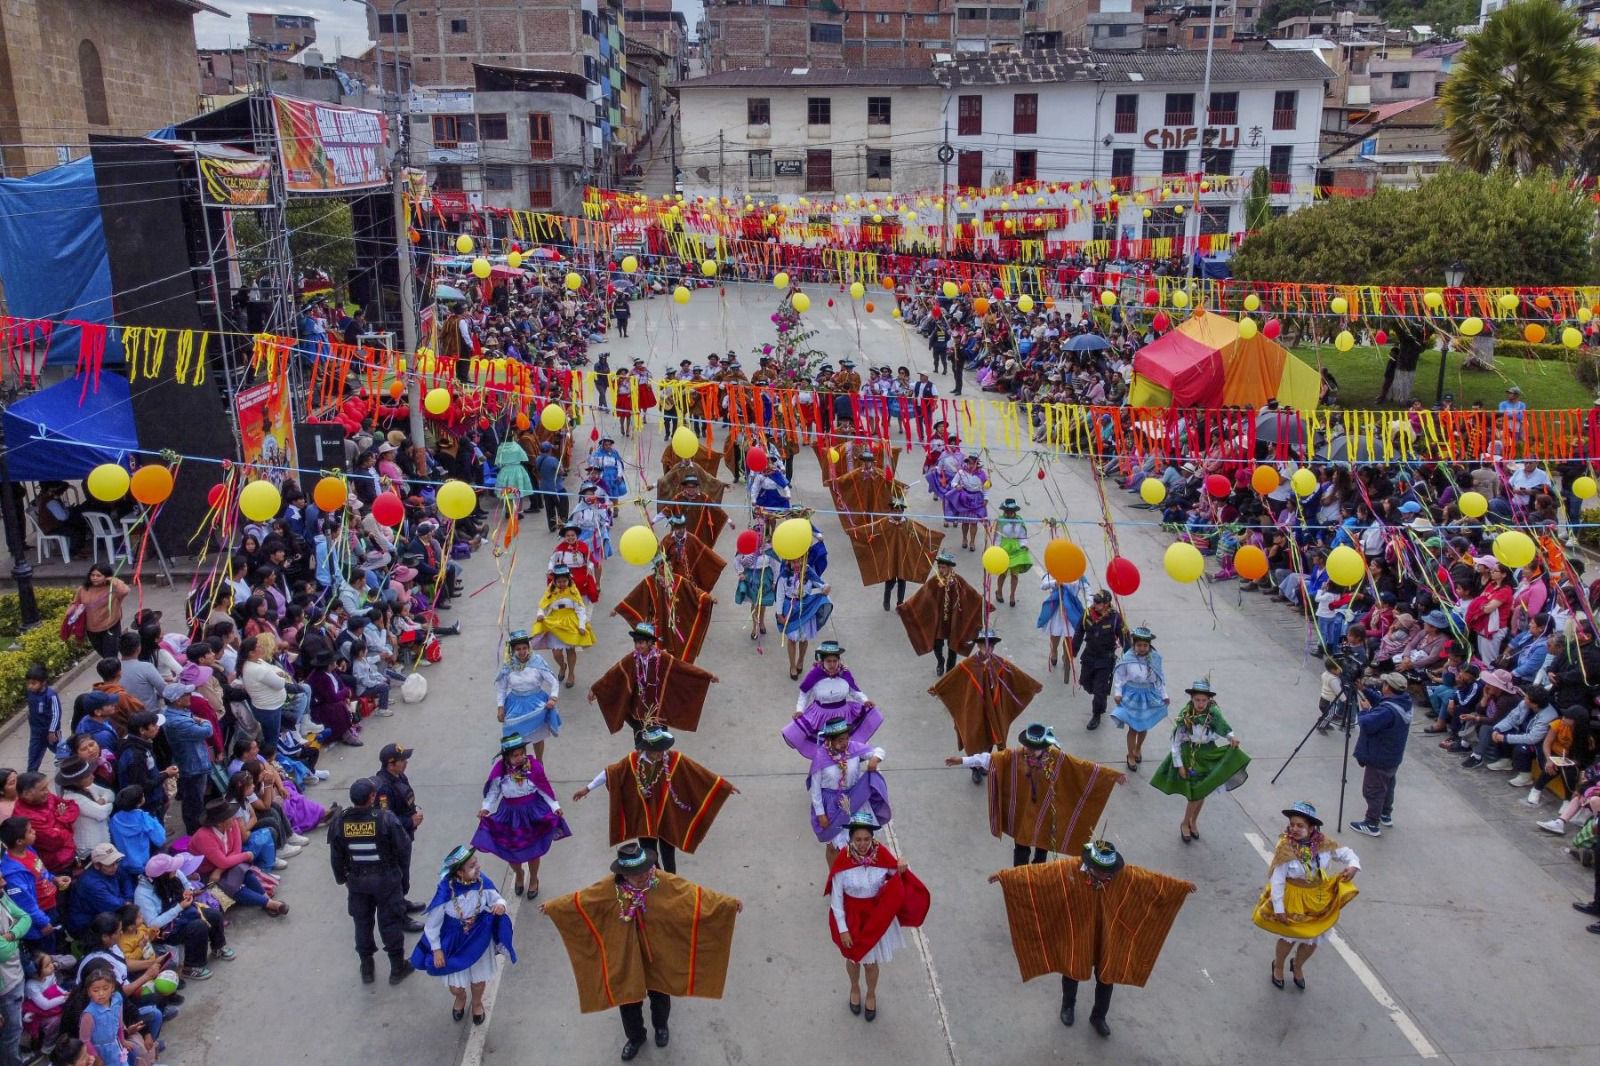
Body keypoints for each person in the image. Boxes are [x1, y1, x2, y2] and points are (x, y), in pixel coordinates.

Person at [543, 843, 741, 1062]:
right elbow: (582, 900)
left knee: (660, 991)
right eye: (635, 874)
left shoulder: (663, 882)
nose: (642, 876)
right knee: (627, 998)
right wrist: (554, 906)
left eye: (645, 870)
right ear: (623, 874)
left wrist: (728, 904)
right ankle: (635, 1037)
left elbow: (695, 896)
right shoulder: (609, 889)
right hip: (625, 955)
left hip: (659, 951)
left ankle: (661, 1026)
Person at [990, 840, 1195, 1038]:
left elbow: (1153, 882)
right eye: (1101, 872)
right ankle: (1068, 1005)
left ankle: (1098, 1017)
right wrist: (1006, 877)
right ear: (1089, 866)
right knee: (1072, 968)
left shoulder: (1122, 875)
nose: (1106, 876)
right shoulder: (1070, 869)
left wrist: (1180, 887)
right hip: (1078, 929)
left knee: (1107, 976)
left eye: (1109, 872)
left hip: (1109, 933)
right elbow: (1038, 875)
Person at [944, 723, 1123, 864]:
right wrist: (962, 760)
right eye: (1026, 745)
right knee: (1021, 847)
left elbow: (1084, 769)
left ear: (1044, 747)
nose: (1027, 749)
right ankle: (1020, 876)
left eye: (1031, 747)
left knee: (1042, 846)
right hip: (1024, 813)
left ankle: (1038, 873)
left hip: (1046, 813)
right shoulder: (1015, 756)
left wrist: (1111, 776)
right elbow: (989, 759)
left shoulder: (1058, 759)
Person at [571, 727, 737, 876]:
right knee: (648, 852)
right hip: (644, 817)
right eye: (657, 750)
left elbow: (698, 772)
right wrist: (587, 788)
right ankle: (655, 878)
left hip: (666, 815)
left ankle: (671, 879)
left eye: (663, 749)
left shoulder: (673, 758)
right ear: (646, 749)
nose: (661, 753)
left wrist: (723, 786)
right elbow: (610, 773)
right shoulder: (632, 761)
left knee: (668, 851)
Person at [824, 811, 930, 1022]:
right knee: (853, 960)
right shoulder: (842, 864)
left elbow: (896, 878)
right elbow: (836, 901)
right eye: (858, 839)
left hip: (875, 920)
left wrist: (901, 866)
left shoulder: (882, 856)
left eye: (866, 839)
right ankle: (854, 988)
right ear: (851, 839)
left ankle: (871, 993)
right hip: (852, 919)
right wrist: (843, 929)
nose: (863, 844)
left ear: (872, 838)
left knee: (871, 964)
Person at [1251, 802, 1361, 990]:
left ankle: (1298, 965)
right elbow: (1277, 880)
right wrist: (1279, 908)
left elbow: (1345, 853)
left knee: (1313, 939)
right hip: (1293, 898)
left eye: (1300, 825)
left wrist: (1353, 865)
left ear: (1311, 828)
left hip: (1318, 899)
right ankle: (1278, 966)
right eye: (1292, 824)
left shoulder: (1323, 844)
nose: (1294, 828)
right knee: (1289, 937)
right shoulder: (1286, 848)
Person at [412, 846, 515, 1026]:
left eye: (476, 863)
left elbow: (497, 898)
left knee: (478, 980)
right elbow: (432, 925)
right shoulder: (445, 891)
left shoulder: (483, 883)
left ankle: (476, 1003)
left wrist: (500, 905)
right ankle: (460, 997)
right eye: (472, 866)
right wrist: (437, 950)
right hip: (454, 942)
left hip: (478, 938)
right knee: (455, 986)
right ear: (459, 872)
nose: (478, 867)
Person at [327, 778, 415, 986]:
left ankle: (366, 967)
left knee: (362, 923)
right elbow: (403, 847)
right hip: (386, 880)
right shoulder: (385, 819)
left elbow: (336, 855)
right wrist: (402, 877)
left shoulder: (341, 820)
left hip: (357, 881)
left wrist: (342, 878)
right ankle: (397, 968)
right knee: (390, 922)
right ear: (371, 797)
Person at [928, 630, 1043, 784]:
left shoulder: (1000, 664)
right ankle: (974, 769)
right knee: (974, 738)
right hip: (973, 709)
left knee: (990, 737)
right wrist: (938, 688)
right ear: (979, 646)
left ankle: (982, 764)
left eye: (990, 646)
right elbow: (952, 678)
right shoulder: (967, 665)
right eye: (984, 645)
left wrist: (1032, 685)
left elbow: (1017, 676)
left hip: (993, 711)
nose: (987, 649)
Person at [1149, 680, 1250, 843]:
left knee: (1203, 790)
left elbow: (1224, 727)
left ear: (1209, 700)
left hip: (1208, 753)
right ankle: (1184, 823)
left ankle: (1192, 821)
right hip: (1190, 755)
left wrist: (1232, 738)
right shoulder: (1185, 717)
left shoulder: (1214, 714)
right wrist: (1179, 765)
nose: (1201, 704)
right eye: (1197, 700)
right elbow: (1175, 743)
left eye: (1204, 700)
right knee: (1195, 793)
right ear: (1191, 699)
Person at [472, 734, 570, 900]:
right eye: (515, 755)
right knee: (511, 852)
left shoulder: (534, 767)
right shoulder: (500, 771)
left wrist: (555, 807)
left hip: (532, 813)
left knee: (533, 851)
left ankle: (533, 878)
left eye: (521, 753)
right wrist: (486, 808)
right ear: (507, 757)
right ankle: (519, 873)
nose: (519, 758)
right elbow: (494, 793)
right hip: (509, 815)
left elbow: (544, 788)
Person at [588, 623, 719, 734]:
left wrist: (707, 675)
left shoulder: (662, 658)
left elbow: (683, 668)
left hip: (658, 713)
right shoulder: (631, 659)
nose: (637, 646)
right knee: (641, 745)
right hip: (639, 712)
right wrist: (596, 689)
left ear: (650, 642)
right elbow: (614, 675)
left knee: (659, 746)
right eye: (636, 643)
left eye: (641, 643)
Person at [783, 641, 883, 759]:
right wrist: (799, 710)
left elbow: (854, 690)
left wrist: (865, 700)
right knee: (826, 747)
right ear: (822, 661)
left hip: (844, 715)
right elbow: (804, 694)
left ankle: (845, 764)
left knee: (844, 742)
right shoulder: (814, 675)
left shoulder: (844, 673)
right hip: (821, 717)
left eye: (835, 661)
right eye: (828, 661)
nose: (832, 664)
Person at [190, 799, 289, 917]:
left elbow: (236, 851)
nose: (234, 818)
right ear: (219, 823)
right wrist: (247, 855)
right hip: (206, 874)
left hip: (221, 868)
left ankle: (266, 899)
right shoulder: (203, 837)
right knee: (231, 885)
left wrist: (220, 869)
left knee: (243, 870)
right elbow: (223, 861)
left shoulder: (233, 824)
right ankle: (269, 904)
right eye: (229, 817)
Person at [896, 551, 984, 676]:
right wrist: (905, 607)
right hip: (938, 621)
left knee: (952, 647)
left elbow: (971, 595)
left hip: (954, 620)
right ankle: (940, 661)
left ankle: (949, 673)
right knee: (937, 645)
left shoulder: (958, 582)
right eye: (939, 567)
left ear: (949, 567)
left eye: (943, 567)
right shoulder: (934, 581)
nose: (941, 570)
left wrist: (984, 604)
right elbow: (921, 596)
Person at [1349, 672, 1412, 836]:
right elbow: (1384, 703)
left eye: (1383, 684)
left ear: (1388, 688)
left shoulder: (1387, 712)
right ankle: (1385, 813)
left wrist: (1364, 711)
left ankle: (1371, 823)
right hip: (1392, 757)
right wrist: (1365, 690)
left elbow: (1367, 724)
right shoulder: (1404, 702)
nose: (1380, 686)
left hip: (1379, 756)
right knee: (1388, 785)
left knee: (1373, 790)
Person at [372, 743, 427, 920]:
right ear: (390, 764)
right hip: (392, 843)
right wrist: (409, 821)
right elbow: (385, 820)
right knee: (395, 880)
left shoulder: (399, 776)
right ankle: (399, 916)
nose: (406, 763)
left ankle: (402, 902)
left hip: (404, 837)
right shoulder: (383, 788)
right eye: (402, 760)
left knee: (403, 876)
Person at [1110, 626, 1168, 771]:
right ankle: (1130, 755)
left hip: (1148, 694)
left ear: (1149, 645)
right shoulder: (1127, 658)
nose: (1142, 648)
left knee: (1143, 726)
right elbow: (1119, 676)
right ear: (1134, 645)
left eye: (1145, 645)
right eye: (1139, 645)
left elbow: (1160, 679)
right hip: (1131, 694)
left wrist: (1164, 695)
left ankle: (1138, 748)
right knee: (1133, 728)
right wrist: (1118, 692)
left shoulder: (1155, 658)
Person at [531, 566, 596, 690]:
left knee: (570, 650)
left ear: (569, 580)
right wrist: (540, 615)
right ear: (555, 581)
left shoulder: (573, 591)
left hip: (570, 623)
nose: (562, 584)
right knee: (556, 652)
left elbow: (580, 609)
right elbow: (542, 605)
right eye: (559, 581)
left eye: (564, 581)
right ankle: (562, 666)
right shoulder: (550, 591)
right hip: (555, 623)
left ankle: (571, 674)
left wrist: (581, 625)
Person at [1070, 591, 1126, 729]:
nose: (1095, 604)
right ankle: (1100, 697)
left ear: (1107, 604)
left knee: (1099, 691)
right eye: (1094, 600)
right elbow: (1079, 632)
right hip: (1089, 656)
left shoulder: (1115, 618)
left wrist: (1129, 657)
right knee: (1086, 683)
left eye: (1098, 602)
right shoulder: (1088, 614)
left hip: (1105, 660)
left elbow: (1125, 638)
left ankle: (1096, 715)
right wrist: (1073, 651)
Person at [775, 556, 833, 680]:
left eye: (799, 560)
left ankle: (800, 660)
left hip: (806, 609)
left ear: (804, 559)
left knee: (803, 638)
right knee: (791, 639)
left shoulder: (808, 571)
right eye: (793, 561)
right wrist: (779, 614)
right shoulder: (784, 576)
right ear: (788, 561)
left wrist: (826, 587)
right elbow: (779, 596)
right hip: (790, 610)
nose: (797, 564)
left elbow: (821, 583)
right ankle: (792, 666)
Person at [0, 861, 33, 1066]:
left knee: (15, 1029)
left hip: (15, 976)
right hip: (5, 987)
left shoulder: (2, 897)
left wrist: (11, 934)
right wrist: (13, 940)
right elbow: (3, 951)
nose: (4, 883)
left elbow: (25, 917)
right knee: (11, 1031)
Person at [71, 565, 130, 660]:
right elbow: (75, 603)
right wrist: (70, 616)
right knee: (104, 655)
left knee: (110, 657)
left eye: (98, 575)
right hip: (92, 630)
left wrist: (114, 580)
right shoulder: (83, 589)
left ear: (106, 576)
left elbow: (124, 591)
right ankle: (115, 671)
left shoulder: (113, 589)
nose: (94, 578)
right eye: (92, 575)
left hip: (110, 627)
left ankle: (115, 672)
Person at [22, 665, 63, 775]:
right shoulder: (30, 693)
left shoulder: (50, 695)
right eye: (28, 683)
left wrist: (52, 730)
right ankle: (30, 778)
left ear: (43, 682)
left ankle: (70, 770)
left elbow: (56, 714)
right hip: (36, 732)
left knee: (63, 754)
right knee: (33, 758)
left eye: (33, 683)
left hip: (51, 732)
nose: (30, 686)